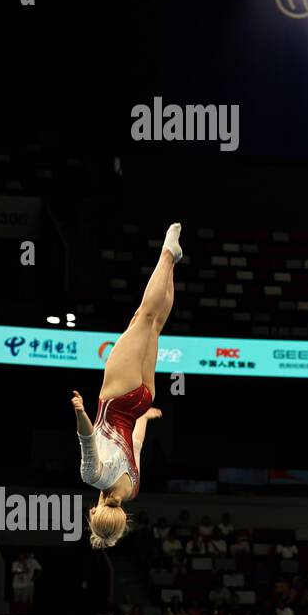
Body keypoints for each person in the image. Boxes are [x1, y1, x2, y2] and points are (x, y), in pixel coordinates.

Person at [75, 223, 184, 549]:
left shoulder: (132, 488)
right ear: (94, 510)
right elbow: (86, 438)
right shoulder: (94, 476)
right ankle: (168, 254)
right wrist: (80, 411)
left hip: (140, 401)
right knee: (142, 316)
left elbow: (136, 446)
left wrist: (146, 418)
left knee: (155, 325)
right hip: (117, 399)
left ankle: (172, 261)